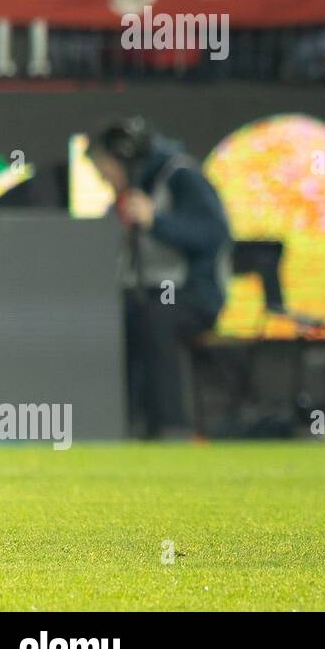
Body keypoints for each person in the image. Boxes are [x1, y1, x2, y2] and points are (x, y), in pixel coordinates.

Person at [88, 118, 231, 438]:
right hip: (144, 294)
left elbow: (212, 234)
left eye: (105, 168)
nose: (103, 177)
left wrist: (156, 220)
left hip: (195, 293)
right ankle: (123, 425)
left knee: (156, 317)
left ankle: (171, 426)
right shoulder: (129, 193)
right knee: (118, 319)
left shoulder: (180, 177)